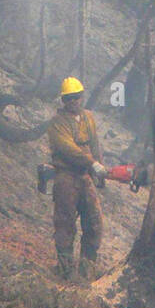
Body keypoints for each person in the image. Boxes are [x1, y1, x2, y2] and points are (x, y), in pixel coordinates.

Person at [47, 77, 106, 282]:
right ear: (64, 101)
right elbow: (68, 149)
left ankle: (86, 270)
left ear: (82, 97)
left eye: (77, 98)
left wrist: (99, 168)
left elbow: (95, 144)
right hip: (66, 177)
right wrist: (92, 163)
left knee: (94, 222)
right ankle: (65, 271)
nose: (74, 102)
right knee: (65, 224)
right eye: (69, 98)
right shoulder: (57, 124)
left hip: (85, 176)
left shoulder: (88, 118)